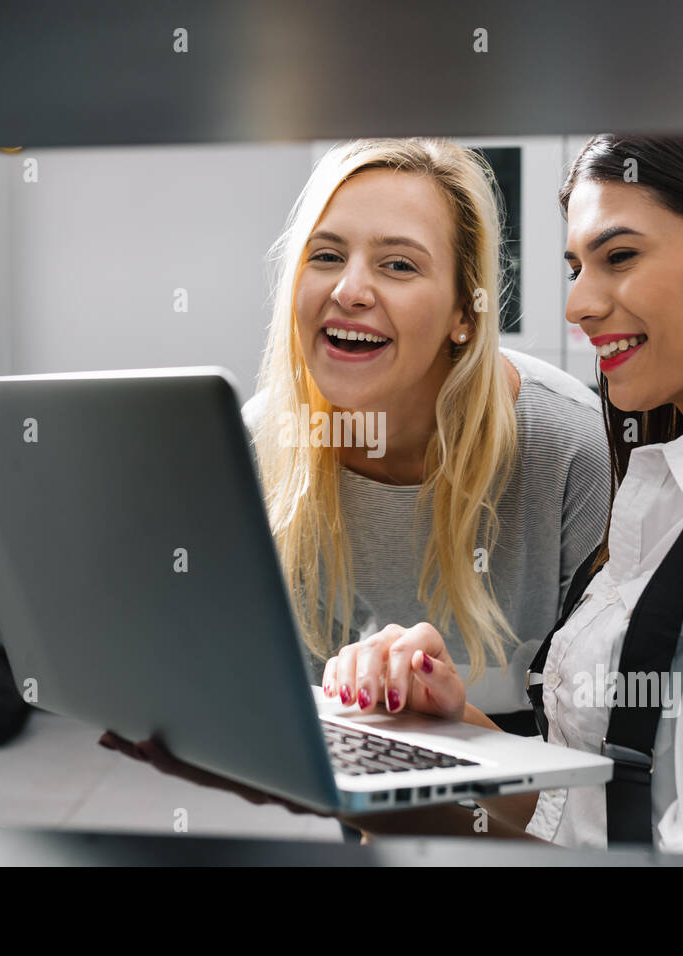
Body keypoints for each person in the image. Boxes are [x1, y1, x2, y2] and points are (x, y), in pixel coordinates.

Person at [104, 132, 683, 856]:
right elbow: (581, 822)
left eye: (618, 256)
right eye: (577, 265)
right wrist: (448, 734)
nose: (580, 303)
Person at [240, 137, 610, 729]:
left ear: (465, 313)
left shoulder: (571, 447)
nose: (349, 291)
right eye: (326, 256)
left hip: (525, 799)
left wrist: (445, 722)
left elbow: (597, 752)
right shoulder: (258, 446)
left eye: (398, 265)